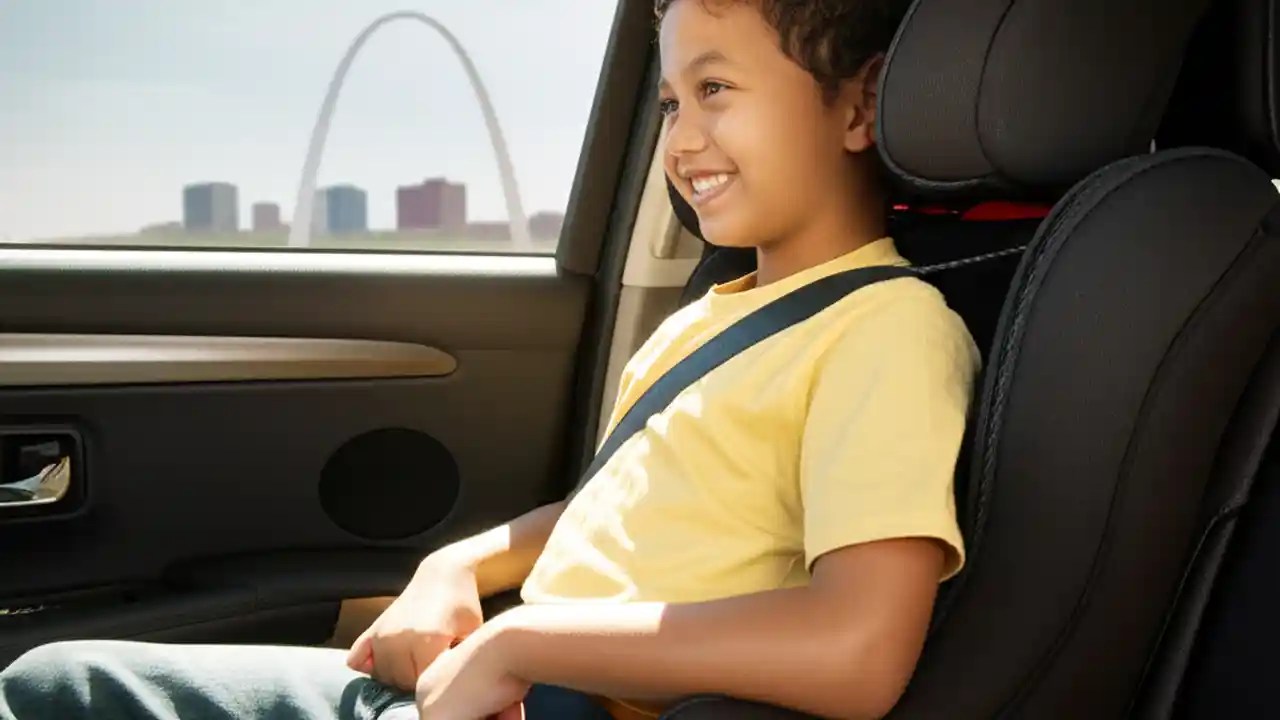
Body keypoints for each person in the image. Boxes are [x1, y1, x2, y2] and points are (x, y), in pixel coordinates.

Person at [0, 1, 979, 718]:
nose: (680, 141)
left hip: (563, 699)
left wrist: (523, 636)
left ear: (861, 107)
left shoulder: (885, 331)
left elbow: (856, 649)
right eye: (671, 102)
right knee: (52, 682)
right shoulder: (714, 315)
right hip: (512, 687)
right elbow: (624, 509)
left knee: (55, 695)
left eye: (714, 91)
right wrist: (458, 561)